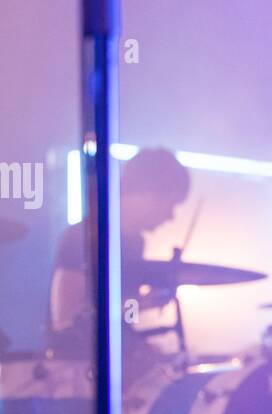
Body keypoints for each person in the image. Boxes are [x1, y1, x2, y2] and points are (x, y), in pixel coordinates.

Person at [48, 146, 191, 353]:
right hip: (76, 366)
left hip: (113, 358)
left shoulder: (135, 243)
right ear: (148, 193)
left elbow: (126, 316)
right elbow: (65, 320)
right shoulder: (82, 236)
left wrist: (143, 303)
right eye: (170, 204)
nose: (171, 216)